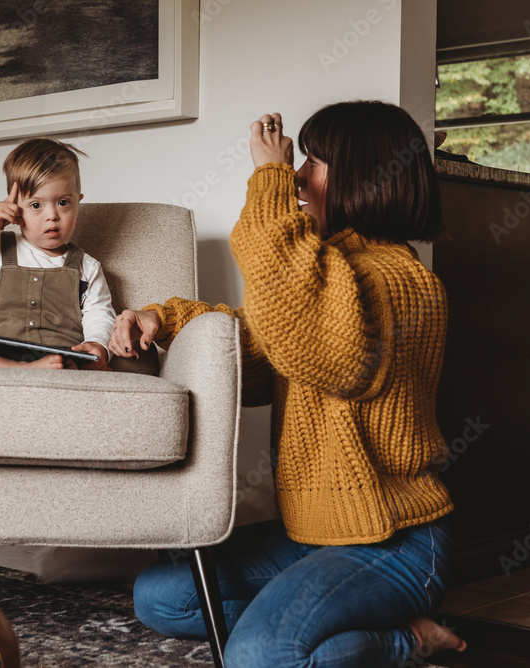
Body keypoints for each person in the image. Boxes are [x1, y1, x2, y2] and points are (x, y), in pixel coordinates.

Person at [110, 101, 468, 667]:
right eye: (298, 165)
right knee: (161, 597)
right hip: (311, 536)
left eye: (314, 163)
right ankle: (317, 619)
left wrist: (269, 177)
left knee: (259, 657)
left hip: (394, 542)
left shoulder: (401, 283)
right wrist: (164, 319)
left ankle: (409, 640)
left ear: (363, 176)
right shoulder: (329, 274)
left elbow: (308, 334)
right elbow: (256, 348)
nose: (299, 176)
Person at [0, 137, 113, 371]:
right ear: (15, 208)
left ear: (78, 202)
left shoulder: (88, 266)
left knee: (138, 357)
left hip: (60, 357)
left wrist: (97, 344)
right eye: (36, 205)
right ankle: (14, 369)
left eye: (63, 202)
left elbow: (99, 313)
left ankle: (50, 369)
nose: (52, 216)